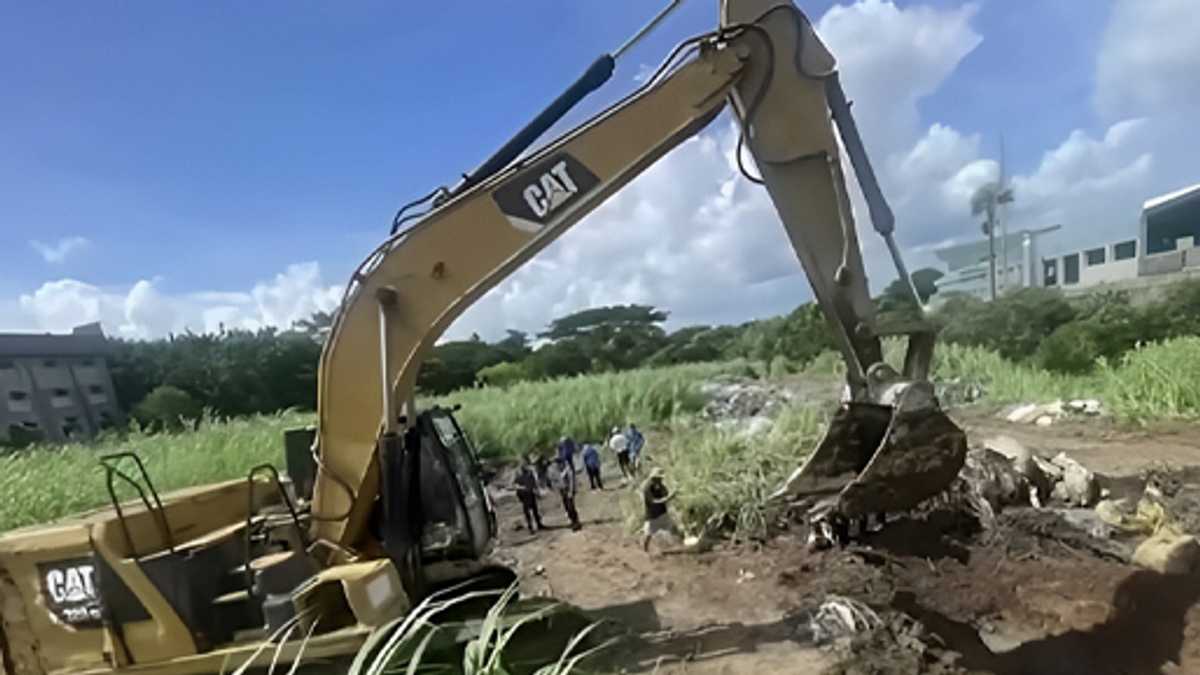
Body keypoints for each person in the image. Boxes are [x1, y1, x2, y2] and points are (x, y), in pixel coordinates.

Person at [641, 468, 679, 553]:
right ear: (654, 478)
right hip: (652, 515)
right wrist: (667, 498)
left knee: (673, 529)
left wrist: (671, 493)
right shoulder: (647, 487)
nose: (661, 479)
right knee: (648, 534)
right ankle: (645, 550)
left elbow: (665, 492)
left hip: (662, 512)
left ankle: (676, 546)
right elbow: (653, 501)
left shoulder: (659, 484)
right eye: (659, 478)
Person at [513, 458, 545, 533]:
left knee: (535, 510)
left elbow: (534, 482)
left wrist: (537, 491)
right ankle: (531, 527)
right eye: (522, 464)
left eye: (525, 463)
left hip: (531, 493)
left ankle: (539, 524)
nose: (524, 465)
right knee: (527, 512)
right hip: (524, 494)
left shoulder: (529, 472)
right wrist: (523, 488)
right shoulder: (518, 474)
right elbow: (515, 485)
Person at [551, 456, 582, 531]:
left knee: (571, 506)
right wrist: (557, 488)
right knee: (567, 507)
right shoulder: (556, 471)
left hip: (569, 490)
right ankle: (572, 521)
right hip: (562, 491)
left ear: (561, 463)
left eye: (558, 464)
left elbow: (572, 481)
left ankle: (576, 522)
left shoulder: (567, 470)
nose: (557, 465)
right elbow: (554, 481)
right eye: (556, 464)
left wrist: (571, 491)